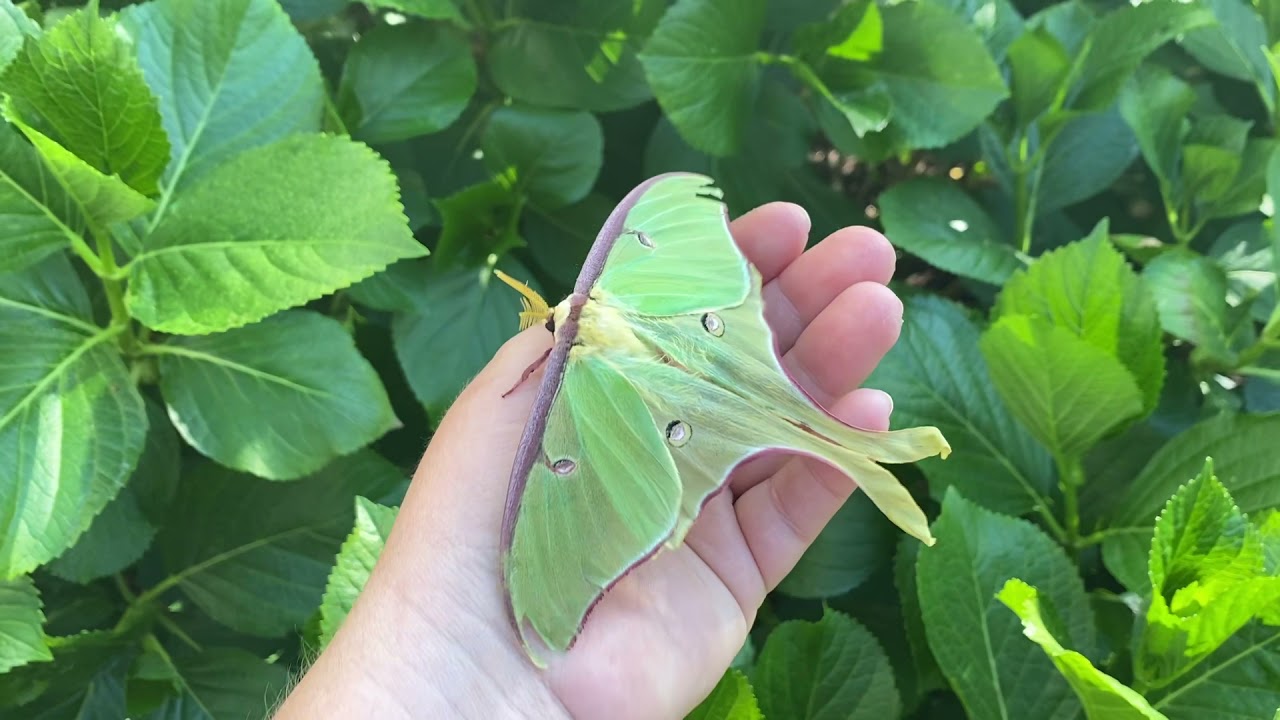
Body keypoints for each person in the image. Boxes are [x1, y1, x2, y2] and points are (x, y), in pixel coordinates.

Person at [272, 202, 909, 719]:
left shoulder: (563, 377)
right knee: (786, 413)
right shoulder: (592, 317)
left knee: (784, 416)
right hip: (686, 352)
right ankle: (874, 451)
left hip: (674, 390)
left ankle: (867, 451)